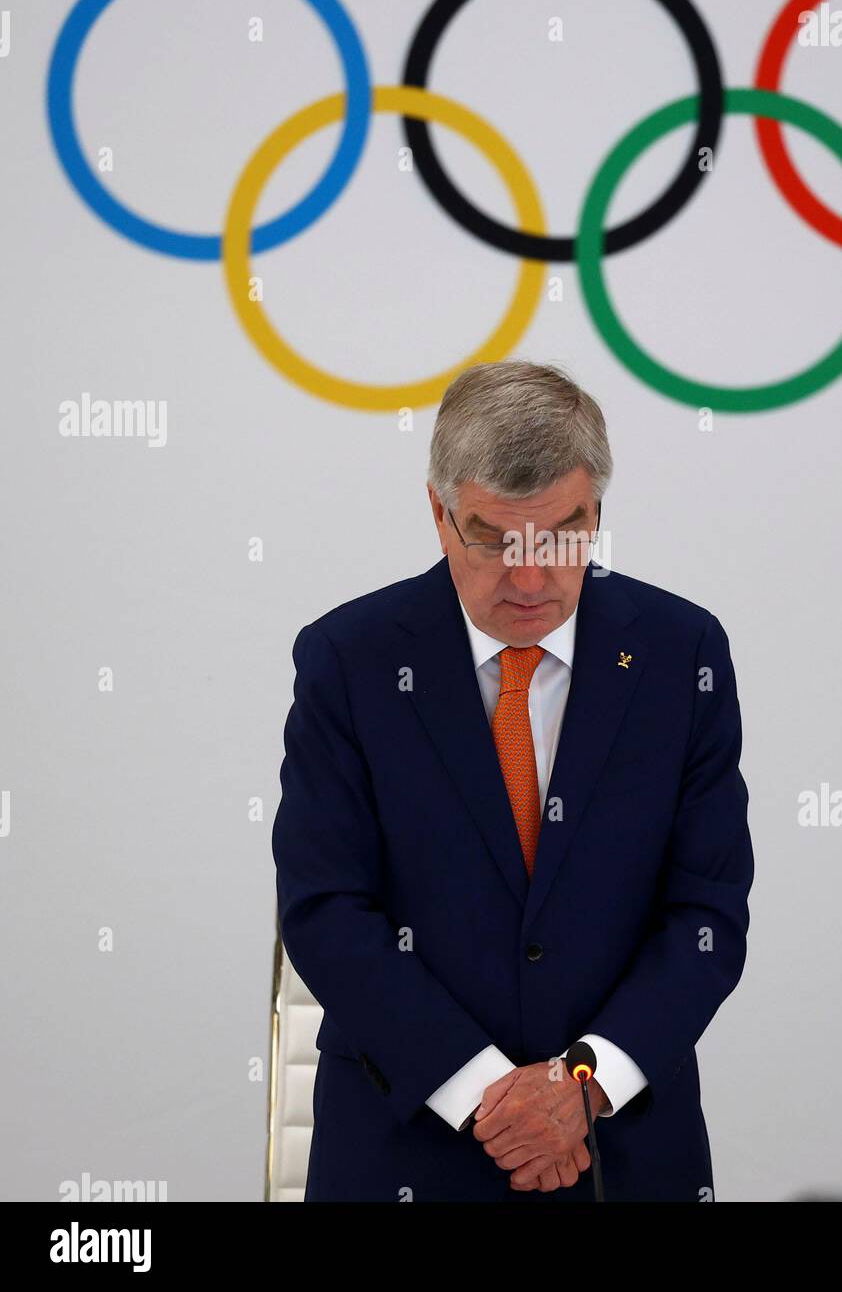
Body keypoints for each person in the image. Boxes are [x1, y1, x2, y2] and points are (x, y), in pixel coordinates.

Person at [271, 359, 754, 1201]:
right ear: (439, 513)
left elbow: (706, 913)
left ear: (597, 514)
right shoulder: (349, 659)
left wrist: (580, 1086)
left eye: (562, 535)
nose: (530, 579)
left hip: (624, 1156)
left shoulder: (684, 654)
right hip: (403, 1150)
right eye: (495, 539)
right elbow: (325, 910)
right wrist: (492, 1100)